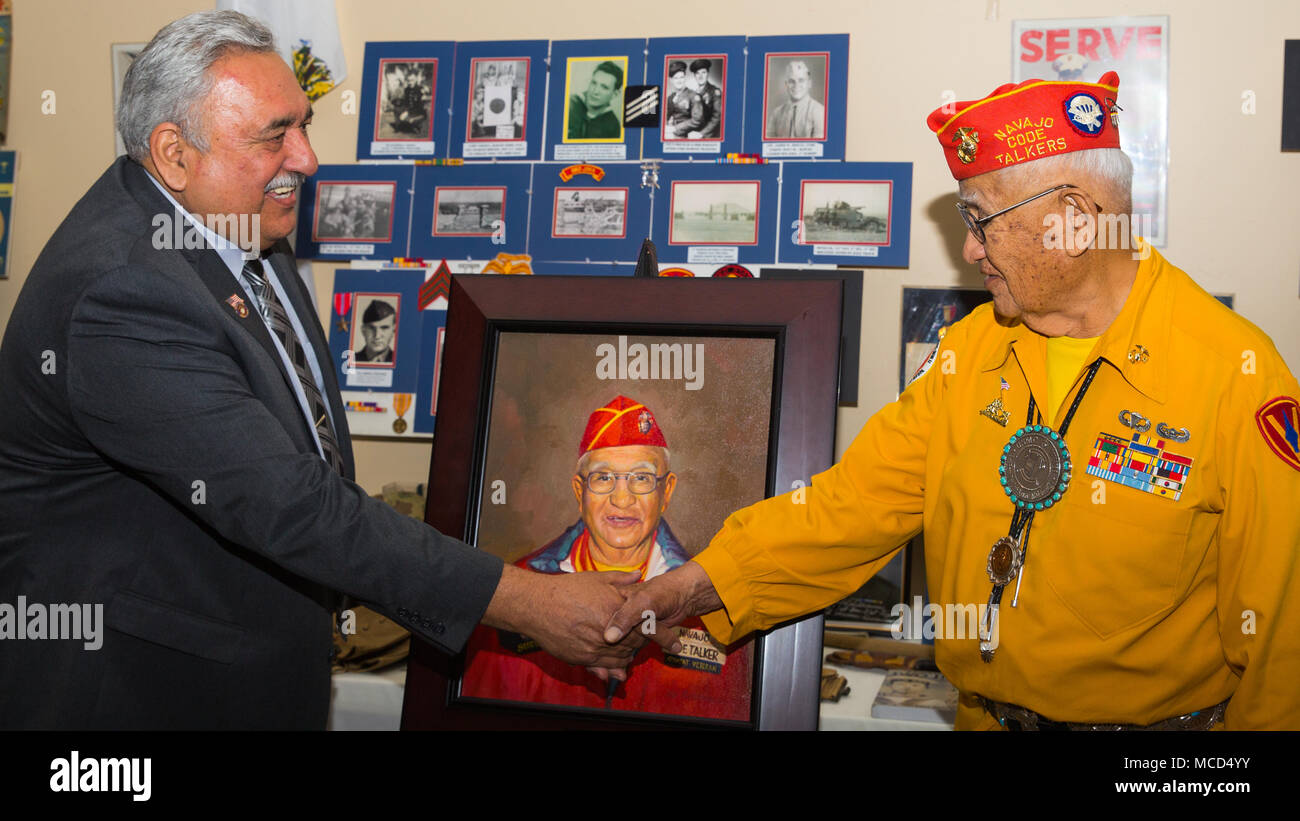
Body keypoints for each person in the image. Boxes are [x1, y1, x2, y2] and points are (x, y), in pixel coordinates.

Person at [0, 10, 650, 730]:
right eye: (274, 135)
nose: (307, 159)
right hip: (140, 698)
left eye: (303, 126)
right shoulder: (122, 294)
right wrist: (529, 602)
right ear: (174, 154)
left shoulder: (241, 224)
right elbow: (290, 505)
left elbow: (307, 460)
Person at [607, 72, 1300, 730]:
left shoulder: (1233, 375)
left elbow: (1284, 649)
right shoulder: (968, 353)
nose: (969, 249)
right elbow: (846, 510)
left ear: (1075, 220)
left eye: (981, 219)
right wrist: (686, 588)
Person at [461, 396, 752, 721]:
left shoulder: (709, 599)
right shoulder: (516, 592)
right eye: (603, 478)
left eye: (641, 478)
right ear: (579, 491)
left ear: (667, 491)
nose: (622, 499)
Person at [764, 59, 825, 140]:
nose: (796, 85)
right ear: (786, 85)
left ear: (809, 84)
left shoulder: (819, 111)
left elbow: (820, 145)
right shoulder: (776, 113)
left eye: (801, 80)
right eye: (791, 81)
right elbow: (767, 142)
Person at [567, 60, 622, 140]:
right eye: (594, 83)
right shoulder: (571, 104)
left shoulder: (613, 126)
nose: (595, 91)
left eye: (604, 87)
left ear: (615, 94)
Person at [663, 60, 702, 139]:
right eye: (676, 78)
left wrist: (675, 128)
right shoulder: (670, 98)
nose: (679, 81)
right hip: (673, 133)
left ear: (685, 78)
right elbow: (665, 116)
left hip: (688, 135)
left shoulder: (693, 95)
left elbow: (697, 120)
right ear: (671, 80)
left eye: (681, 77)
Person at [690, 58, 722, 139]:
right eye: (697, 73)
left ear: (708, 73)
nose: (700, 76)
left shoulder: (715, 92)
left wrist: (701, 133)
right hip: (696, 132)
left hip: (710, 135)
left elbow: (717, 117)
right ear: (694, 76)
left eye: (703, 72)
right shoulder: (694, 93)